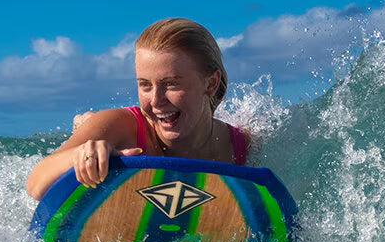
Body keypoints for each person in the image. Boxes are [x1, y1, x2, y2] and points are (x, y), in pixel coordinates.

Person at [26, 18, 251, 200]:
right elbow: (35, 185)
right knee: (93, 130)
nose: (155, 100)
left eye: (171, 84)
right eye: (145, 85)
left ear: (211, 83)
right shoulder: (124, 128)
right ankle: (86, 127)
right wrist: (82, 154)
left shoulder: (243, 146)